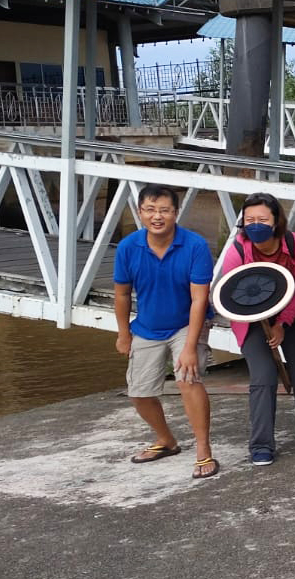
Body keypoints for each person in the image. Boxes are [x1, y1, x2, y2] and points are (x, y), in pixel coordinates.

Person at [112, 184, 218, 479]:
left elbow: (199, 300)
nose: (156, 216)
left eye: (164, 210)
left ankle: (203, 448)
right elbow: (122, 294)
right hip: (147, 326)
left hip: (187, 323)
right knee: (139, 392)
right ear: (140, 212)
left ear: (175, 213)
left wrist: (190, 347)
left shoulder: (195, 245)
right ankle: (166, 440)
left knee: (187, 378)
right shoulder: (128, 247)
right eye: (149, 210)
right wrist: (123, 333)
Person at [218, 192, 295, 466]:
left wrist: (283, 323)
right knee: (263, 378)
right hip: (251, 320)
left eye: (262, 219)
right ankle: (261, 444)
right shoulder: (238, 251)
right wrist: (265, 322)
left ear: (276, 221)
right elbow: (230, 292)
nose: (255, 224)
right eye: (249, 219)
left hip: (294, 315)